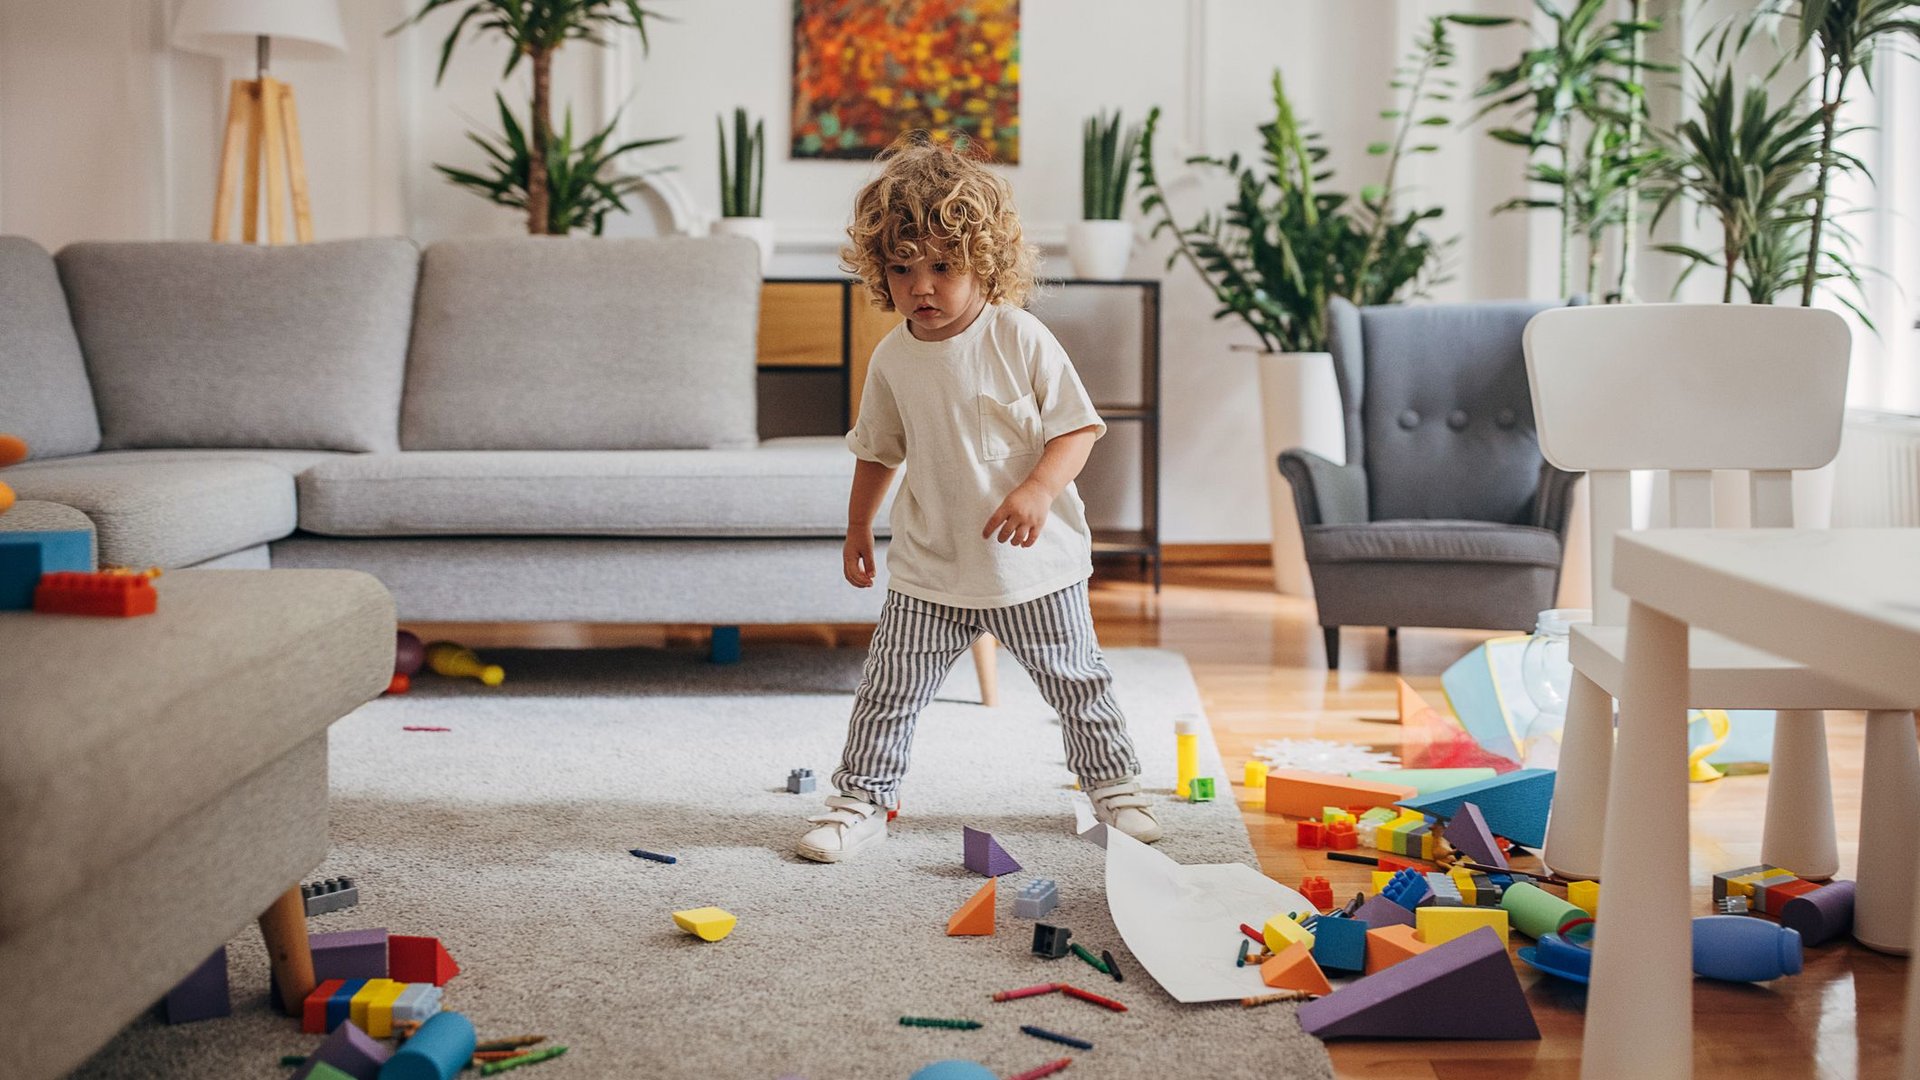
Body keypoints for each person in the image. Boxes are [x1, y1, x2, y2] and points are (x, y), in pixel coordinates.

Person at [796, 134, 1162, 863]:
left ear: (985, 264)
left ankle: (1114, 787)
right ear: (879, 272)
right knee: (886, 694)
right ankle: (860, 800)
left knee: (1077, 682)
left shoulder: (1018, 336)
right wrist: (856, 529)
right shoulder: (895, 357)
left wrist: (1036, 489)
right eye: (901, 270)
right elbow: (876, 447)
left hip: (1036, 568)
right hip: (931, 569)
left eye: (942, 267)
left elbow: (1080, 430)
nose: (920, 287)